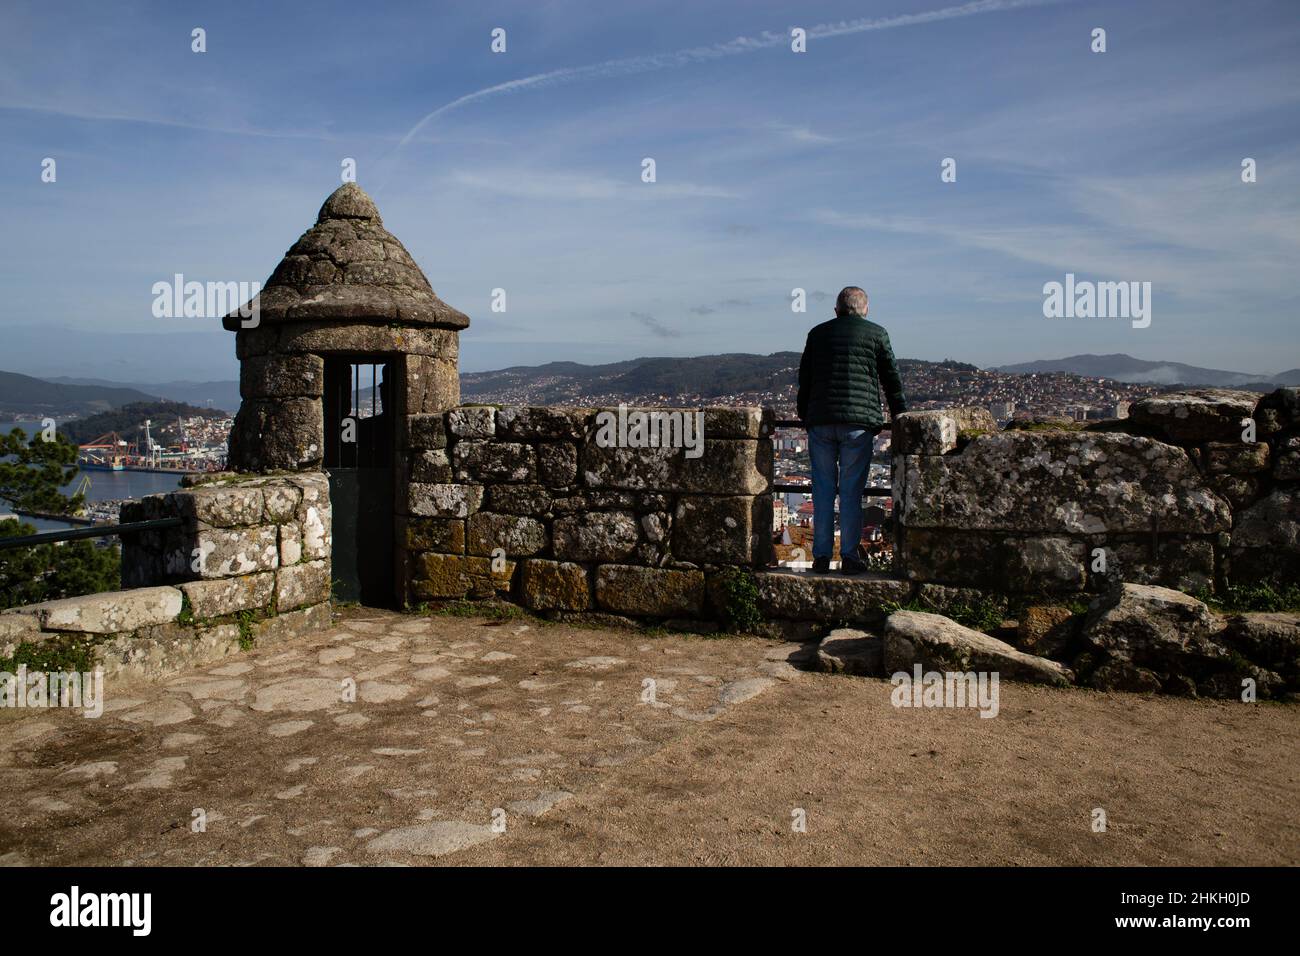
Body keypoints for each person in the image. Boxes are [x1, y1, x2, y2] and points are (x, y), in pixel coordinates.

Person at [796, 286, 907, 575]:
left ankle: (820, 557)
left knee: (821, 489)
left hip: (820, 421)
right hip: (858, 424)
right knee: (850, 491)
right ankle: (849, 556)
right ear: (865, 309)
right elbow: (891, 379)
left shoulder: (817, 334)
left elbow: (804, 380)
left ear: (836, 310)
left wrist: (805, 415)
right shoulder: (877, 334)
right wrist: (900, 415)